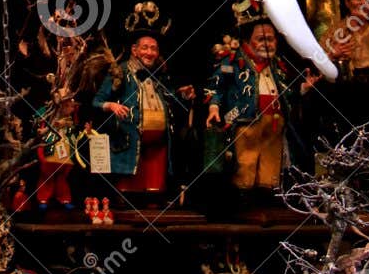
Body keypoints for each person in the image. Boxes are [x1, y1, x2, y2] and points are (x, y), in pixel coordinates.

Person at [91, 17, 193, 195]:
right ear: (134, 50)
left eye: (154, 48)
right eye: (145, 47)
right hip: (130, 137)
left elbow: (170, 98)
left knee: (154, 189)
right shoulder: (120, 72)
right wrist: (112, 105)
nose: (150, 52)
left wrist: (183, 95)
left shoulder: (158, 76)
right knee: (130, 187)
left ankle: (152, 198)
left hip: (158, 143)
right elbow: (97, 101)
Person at [205, 20, 305, 196]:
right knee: (246, 159)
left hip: (275, 121)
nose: (267, 43)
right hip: (247, 120)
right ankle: (243, 194)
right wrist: (214, 107)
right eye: (261, 39)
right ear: (248, 40)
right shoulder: (233, 62)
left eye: (271, 39)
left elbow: (286, 91)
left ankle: (266, 193)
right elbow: (217, 85)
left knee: (271, 158)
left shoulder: (278, 65)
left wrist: (303, 89)